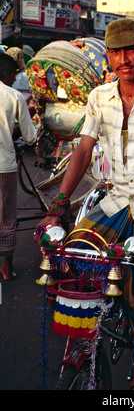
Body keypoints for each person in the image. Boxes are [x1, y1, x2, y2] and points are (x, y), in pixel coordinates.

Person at [35, 18, 134, 390]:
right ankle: (86, 332)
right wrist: (59, 204)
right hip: (116, 197)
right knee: (72, 253)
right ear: (110, 57)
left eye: (131, 49)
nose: (124, 58)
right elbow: (84, 149)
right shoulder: (99, 96)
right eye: (116, 51)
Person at [0, 54, 37, 280]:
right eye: (14, 73)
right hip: (4, 167)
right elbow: (30, 137)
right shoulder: (14, 96)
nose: (15, 79)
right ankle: (5, 266)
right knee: (6, 216)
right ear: (6, 74)